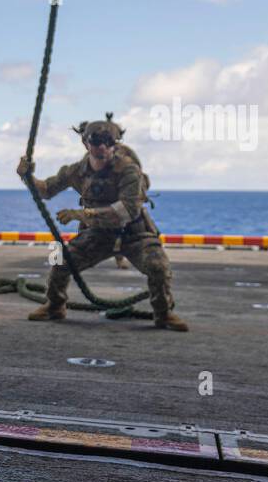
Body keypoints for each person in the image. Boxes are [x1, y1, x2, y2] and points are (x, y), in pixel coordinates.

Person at [18, 114, 188, 331]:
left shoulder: (128, 170)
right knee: (60, 259)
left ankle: (164, 314)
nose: (103, 147)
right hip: (98, 234)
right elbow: (45, 190)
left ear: (115, 144)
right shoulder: (77, 171)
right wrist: (26, 177)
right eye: (97, 142)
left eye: (109, 143)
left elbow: (128, 210)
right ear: (86, 143)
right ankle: (54, 306)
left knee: (158, 267)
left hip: (134, 234)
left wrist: (82, 215)